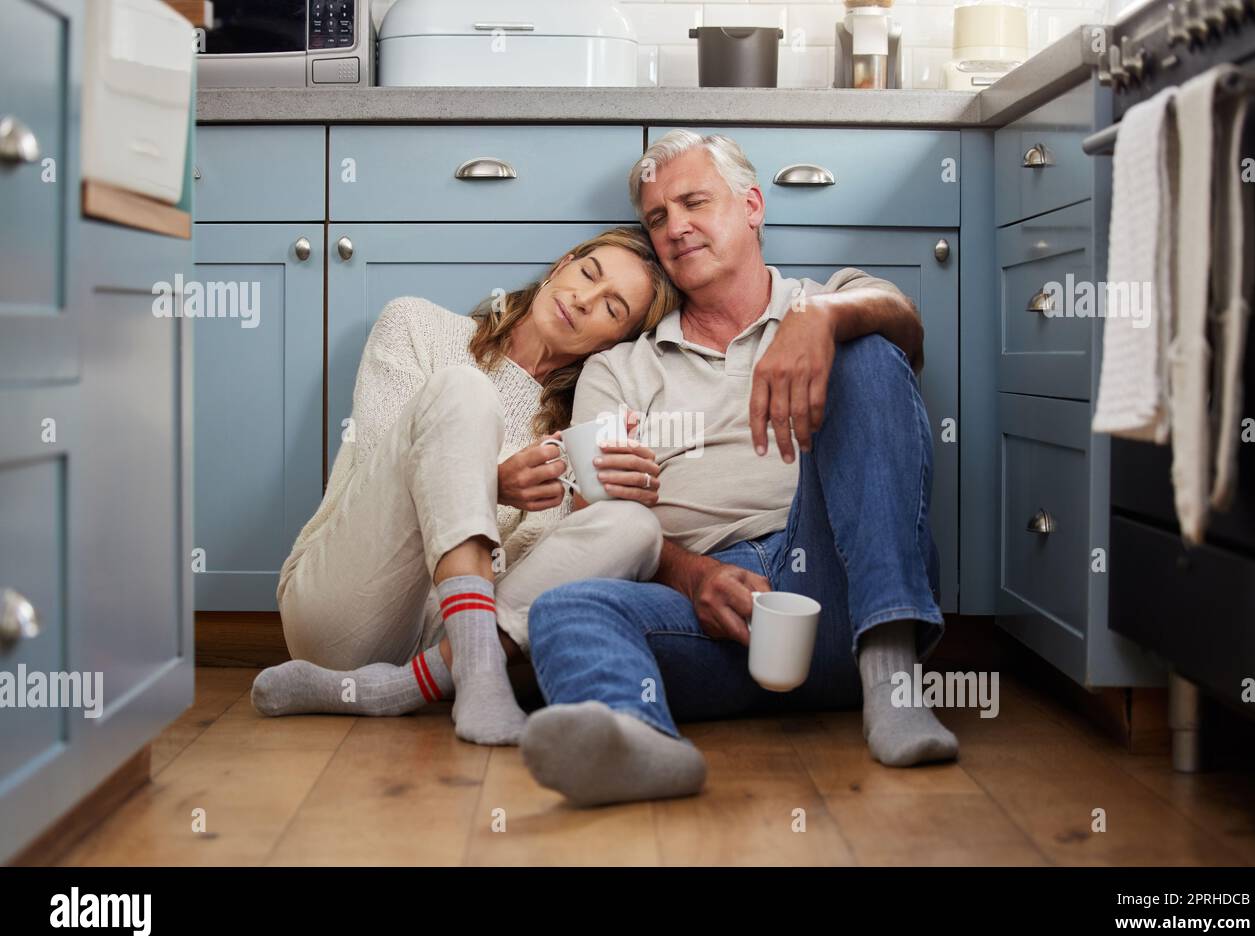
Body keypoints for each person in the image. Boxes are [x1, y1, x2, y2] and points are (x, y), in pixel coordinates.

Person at [519, 130, 958, 805]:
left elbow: (907, 324)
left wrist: (820, 316)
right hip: (712, 613)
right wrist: (691, 575)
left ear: (752, 204)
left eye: (694, 201)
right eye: (658, 217)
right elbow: (597, 518)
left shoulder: (824, 301)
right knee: (561, 609)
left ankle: (892, 676)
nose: (675, 227)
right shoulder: (618, 368)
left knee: (871, 351)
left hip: (838, 589)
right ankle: (640, 741)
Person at [251, 227, 680, 745]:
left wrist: (584, 500)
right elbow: (381, 464)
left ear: (614, 343)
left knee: (635, 527)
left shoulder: (574, 432)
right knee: (464, 390)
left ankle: (400, 688)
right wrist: (495, 484)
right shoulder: (417, 324)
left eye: (612, 310)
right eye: (588, 274)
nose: (584, 301)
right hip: (345, 604)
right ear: (563, 264)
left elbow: (523, 576)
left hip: (453, 637)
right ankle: (472, 677)